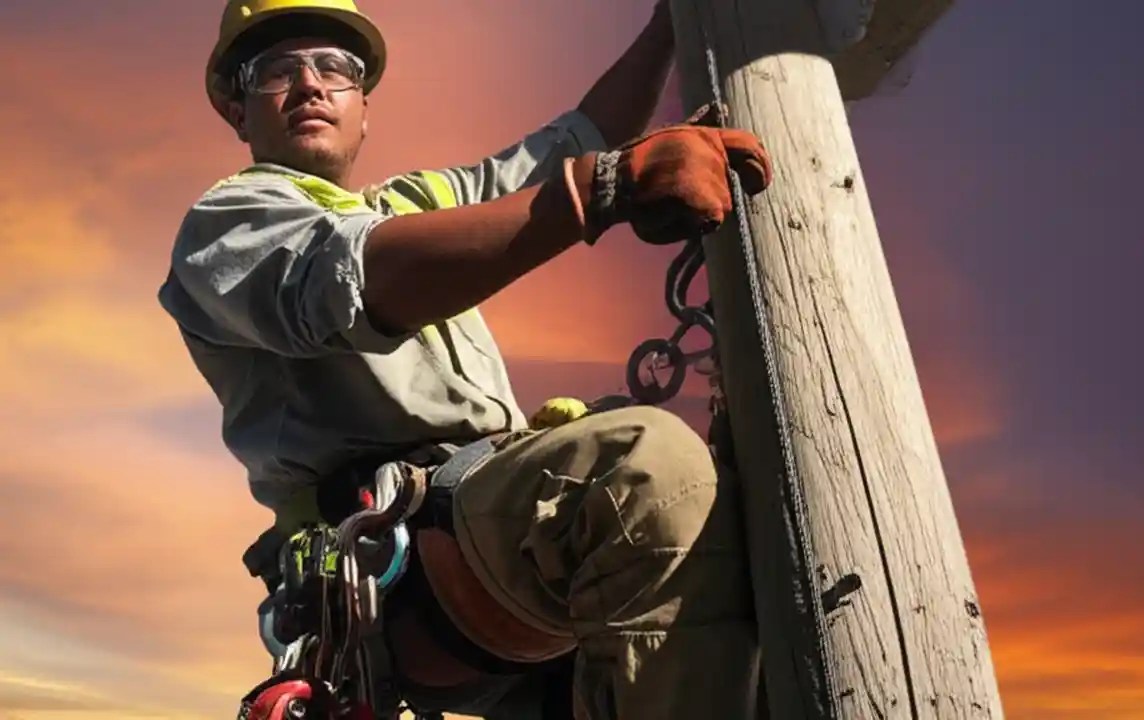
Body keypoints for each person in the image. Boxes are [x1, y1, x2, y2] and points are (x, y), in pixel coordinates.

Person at [158, 1, 773, 718]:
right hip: (396, 555)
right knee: (644, 466)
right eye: (276, 72)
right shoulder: (229, 223)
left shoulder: (414, 205)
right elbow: (359, 281)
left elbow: (576, 140)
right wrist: (600, 189)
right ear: (237, 109)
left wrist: (671, 21)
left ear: (364, 108)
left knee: (738, 528)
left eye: (335, 69)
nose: (311, 86)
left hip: (485, 523)